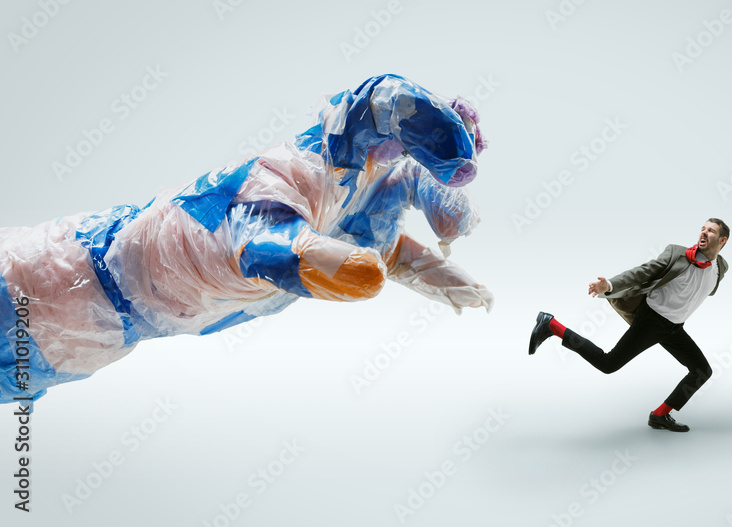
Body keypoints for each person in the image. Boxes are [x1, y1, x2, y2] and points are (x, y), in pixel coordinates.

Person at [0, 74, 493, 407]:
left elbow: (362, 238)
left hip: (83, 334)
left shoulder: (336, 189)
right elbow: (261, 239)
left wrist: (408, 259)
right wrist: (313, 260)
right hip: (45, 279)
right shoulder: (286, 180)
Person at [528, 219, 730, 432]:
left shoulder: (720, 267)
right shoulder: (677, 254)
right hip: (652, 320)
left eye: (711, 231)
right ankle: (551, 325)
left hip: (674, 327)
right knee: (608, 364)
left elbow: (705, 288)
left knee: (701, 371)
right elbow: (643, 271)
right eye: (703, 229)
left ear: (722, 240)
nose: (704, 233)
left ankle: (659, 415)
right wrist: (609, 285)